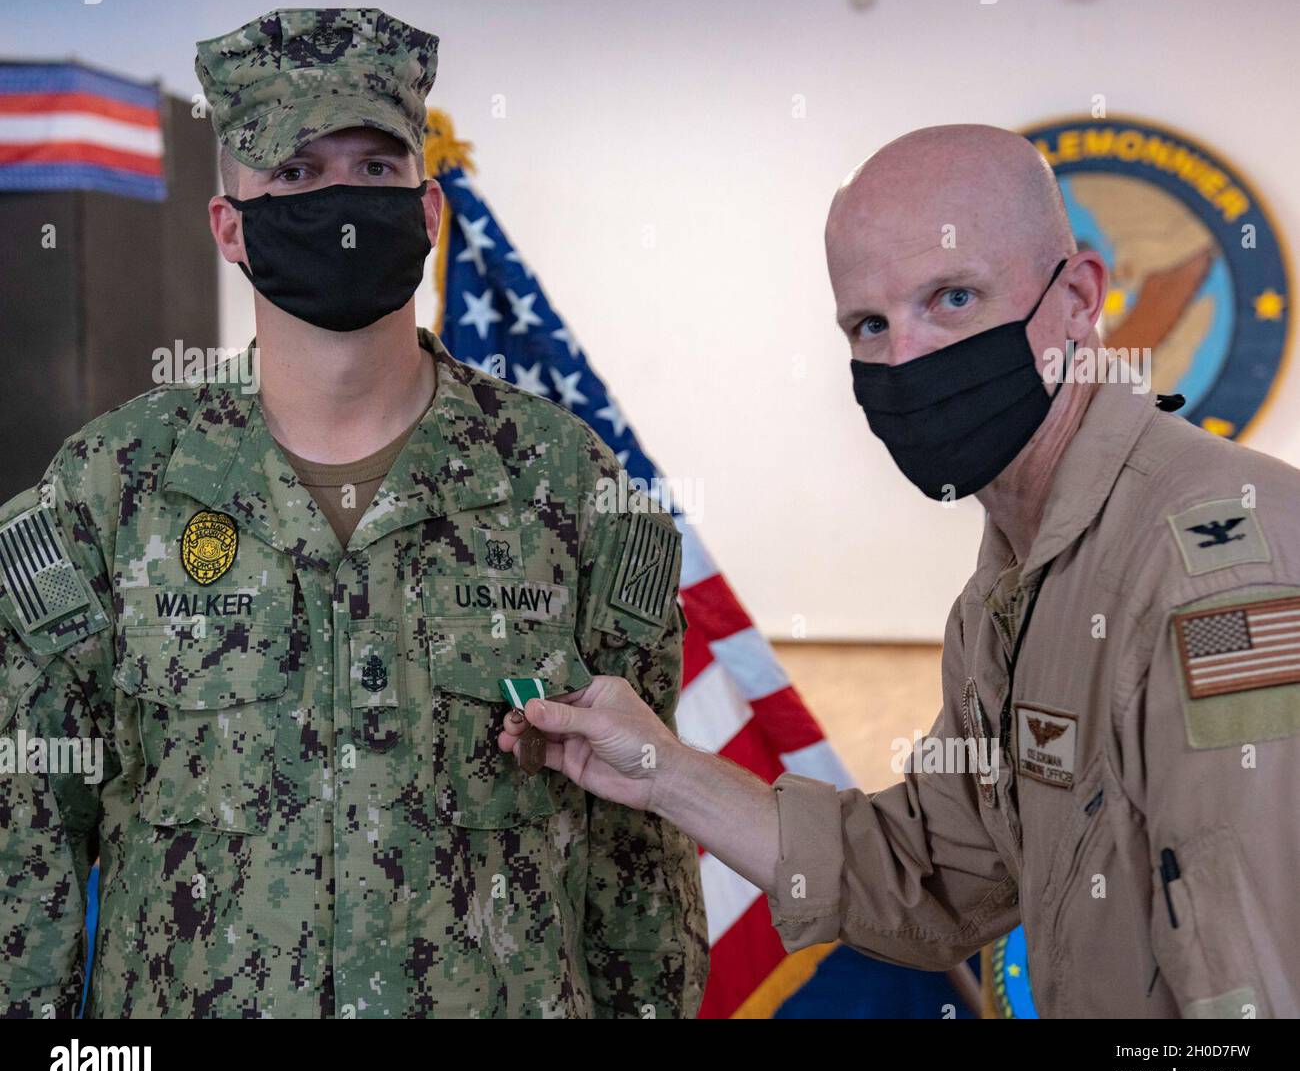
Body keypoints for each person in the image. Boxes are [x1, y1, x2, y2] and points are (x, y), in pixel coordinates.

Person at [0, 7, 707, 1019]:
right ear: (230, 226)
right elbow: (26, 850)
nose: (339, 202)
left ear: (426, 212)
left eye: (374, 170)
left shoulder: (565, 485)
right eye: (294, 172)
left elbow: (638, 859)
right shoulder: (110, 490)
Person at [500, 124, 1300, 1019]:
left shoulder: (1218, 572)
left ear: (1079, 299)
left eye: (952, 298)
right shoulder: (1015, 583)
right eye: (869, 325)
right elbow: (934, 875)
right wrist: (665, 771)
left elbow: (1250, 1005)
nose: (905, 357)